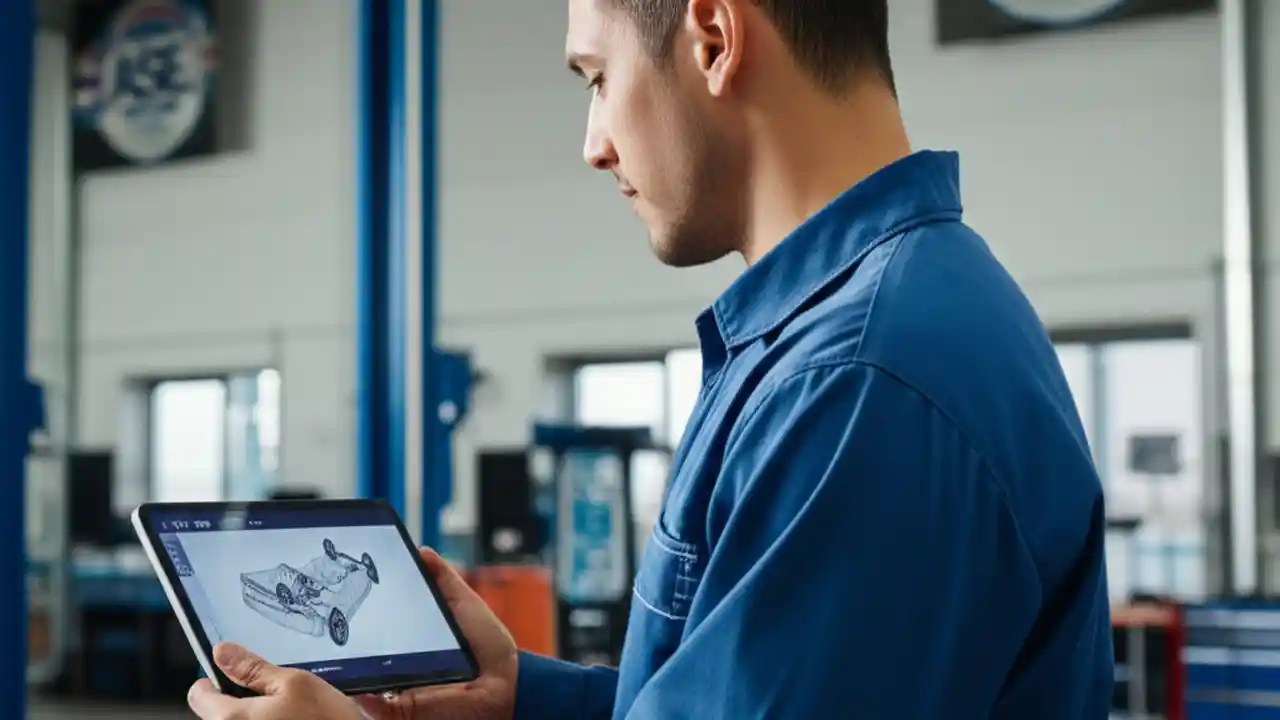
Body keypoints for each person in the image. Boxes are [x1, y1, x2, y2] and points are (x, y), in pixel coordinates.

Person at [188, 0, 1114, 718]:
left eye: (597, 77)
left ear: (713, 38)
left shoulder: (856, 387)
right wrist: (526, 699)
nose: (593, 146)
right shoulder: (872, 324)